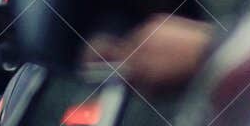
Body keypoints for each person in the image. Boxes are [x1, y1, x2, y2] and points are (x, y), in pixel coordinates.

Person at [85, 14, 215, 97]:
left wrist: (202, 47)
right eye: (106, 60)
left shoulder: (150, 38)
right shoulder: (142, 83)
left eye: (107, 58)